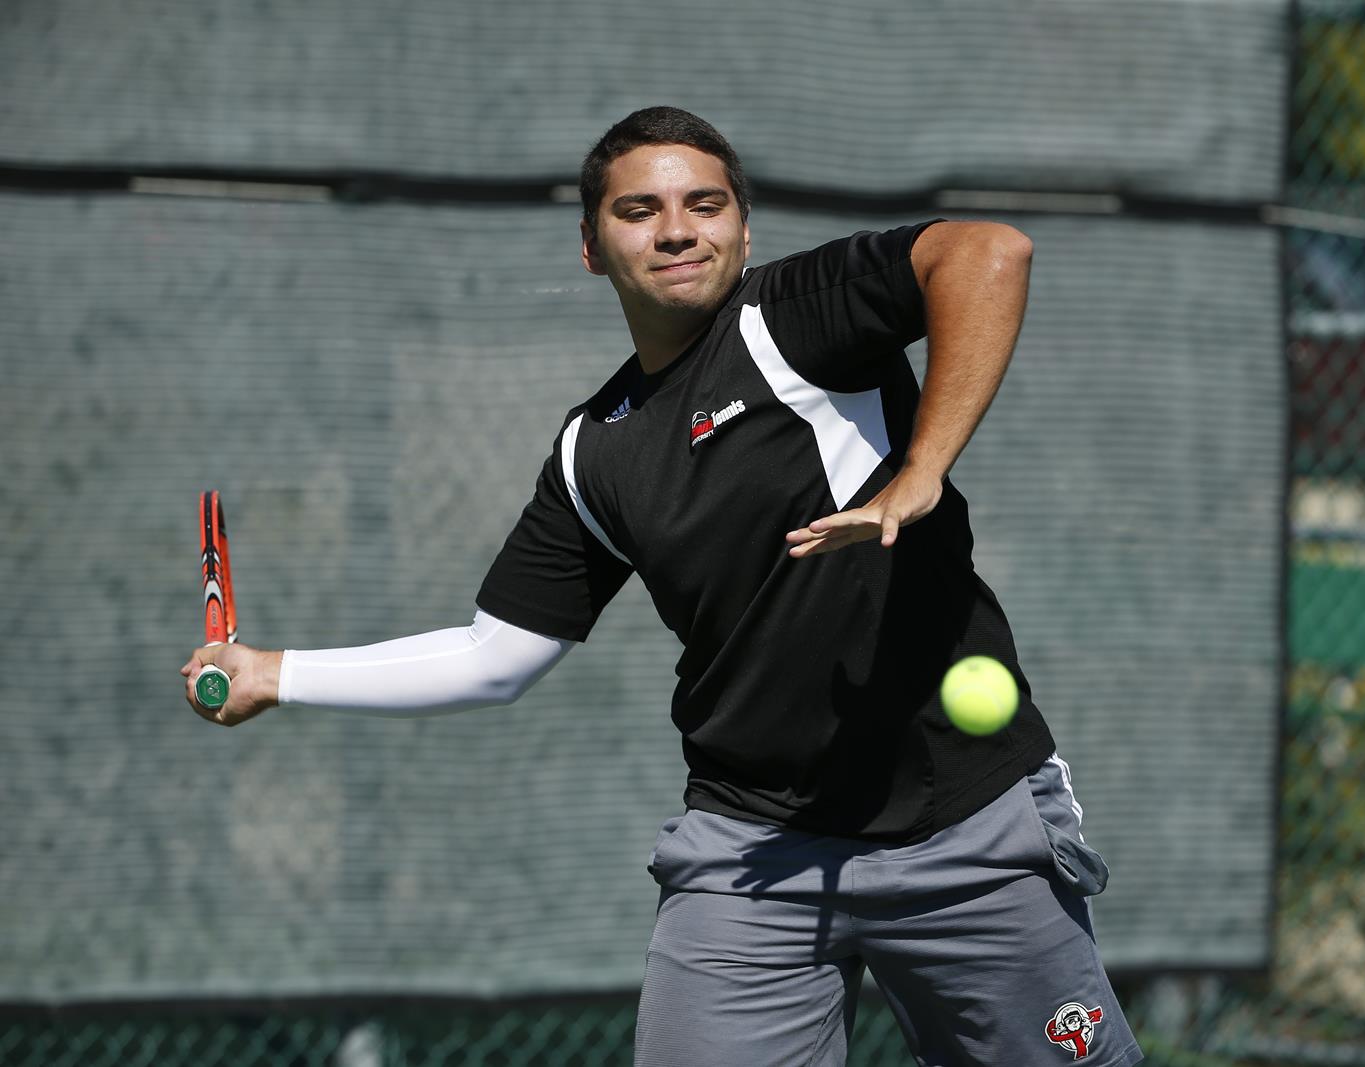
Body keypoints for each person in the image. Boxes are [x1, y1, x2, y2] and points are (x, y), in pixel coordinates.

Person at [182, 105, 1142, 1067]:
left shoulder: (795, 316)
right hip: (752, 853)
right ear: (594, 247)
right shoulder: (594, 450)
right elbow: (495, 655)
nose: (678, 228)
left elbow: (988, 252)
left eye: (705, 204)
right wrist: (273, 672)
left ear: (743, 227)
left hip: (962, 827)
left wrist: (923, 463)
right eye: (639, 211)